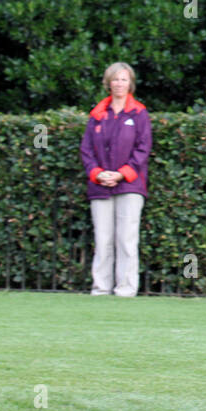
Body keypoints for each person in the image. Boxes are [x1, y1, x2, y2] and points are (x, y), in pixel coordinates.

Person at [79, 62, 152, 297]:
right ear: (108, 83)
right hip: (100, 186)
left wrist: (122, 174)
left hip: (130, 185)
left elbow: (143, 149)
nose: (119, 84)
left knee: (126, 239)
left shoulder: (139, 113)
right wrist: (97, 173)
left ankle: (126, 288)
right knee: (102, 240)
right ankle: (100, 287)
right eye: (115, 79)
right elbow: (86, 150)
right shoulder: (97, 115)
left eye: (123, 79)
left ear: (130, 83)